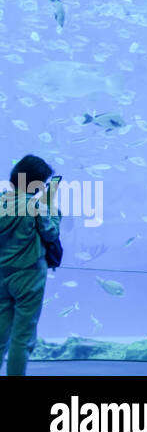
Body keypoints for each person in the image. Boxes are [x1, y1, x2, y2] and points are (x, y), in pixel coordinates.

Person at [0, 155, 60, 376]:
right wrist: (50, 205)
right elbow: (51, 233)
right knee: (22, 338)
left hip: (1, 277)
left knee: (0, 337)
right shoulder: (35, 206)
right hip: (29, 277)